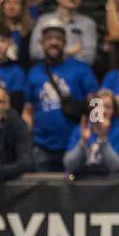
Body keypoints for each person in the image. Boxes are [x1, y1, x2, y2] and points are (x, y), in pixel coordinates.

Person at [23, 18, 97, 171]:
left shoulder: (81, 68)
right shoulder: (33, 72)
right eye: (49, 38)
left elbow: (97, 101)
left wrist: (97, 133)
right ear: (41, 43)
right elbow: (28, 110)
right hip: (41, 146)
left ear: (65, 42)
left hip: (75, 144)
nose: (53, 42)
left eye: (58, 38)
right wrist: (26, 140)